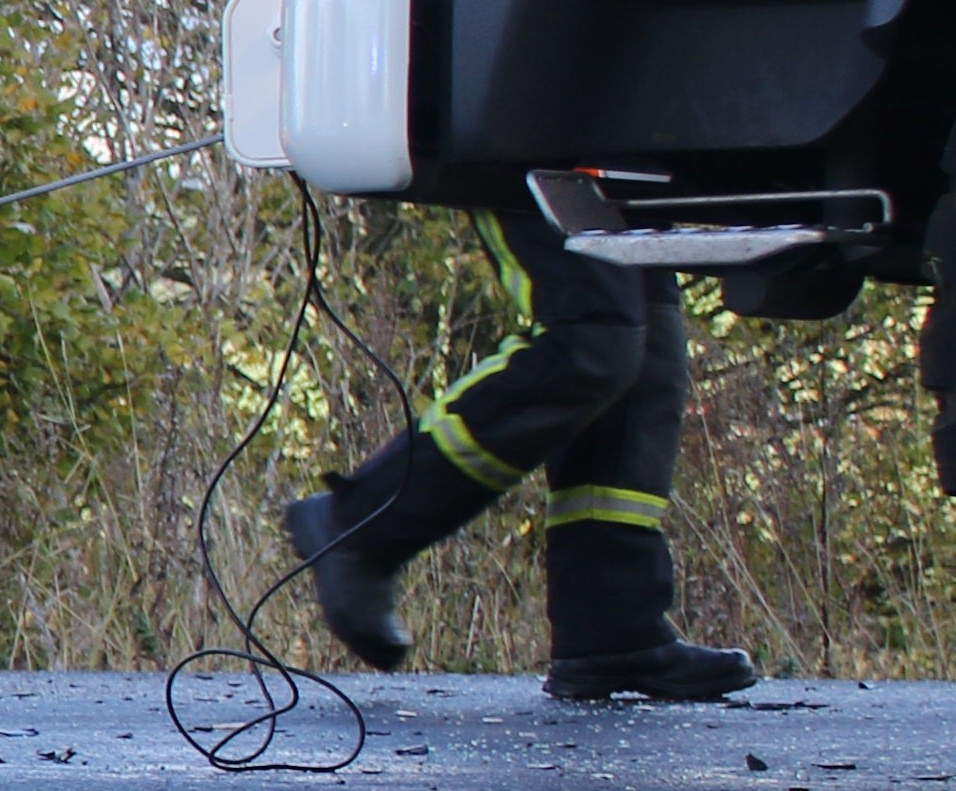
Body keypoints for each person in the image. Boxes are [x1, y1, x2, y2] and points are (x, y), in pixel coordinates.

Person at [287, 200, 751, 701]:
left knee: (648, 347)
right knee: (593, 337)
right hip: (520, 158)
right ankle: (362, 524)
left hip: (624, 160)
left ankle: (609, 623)